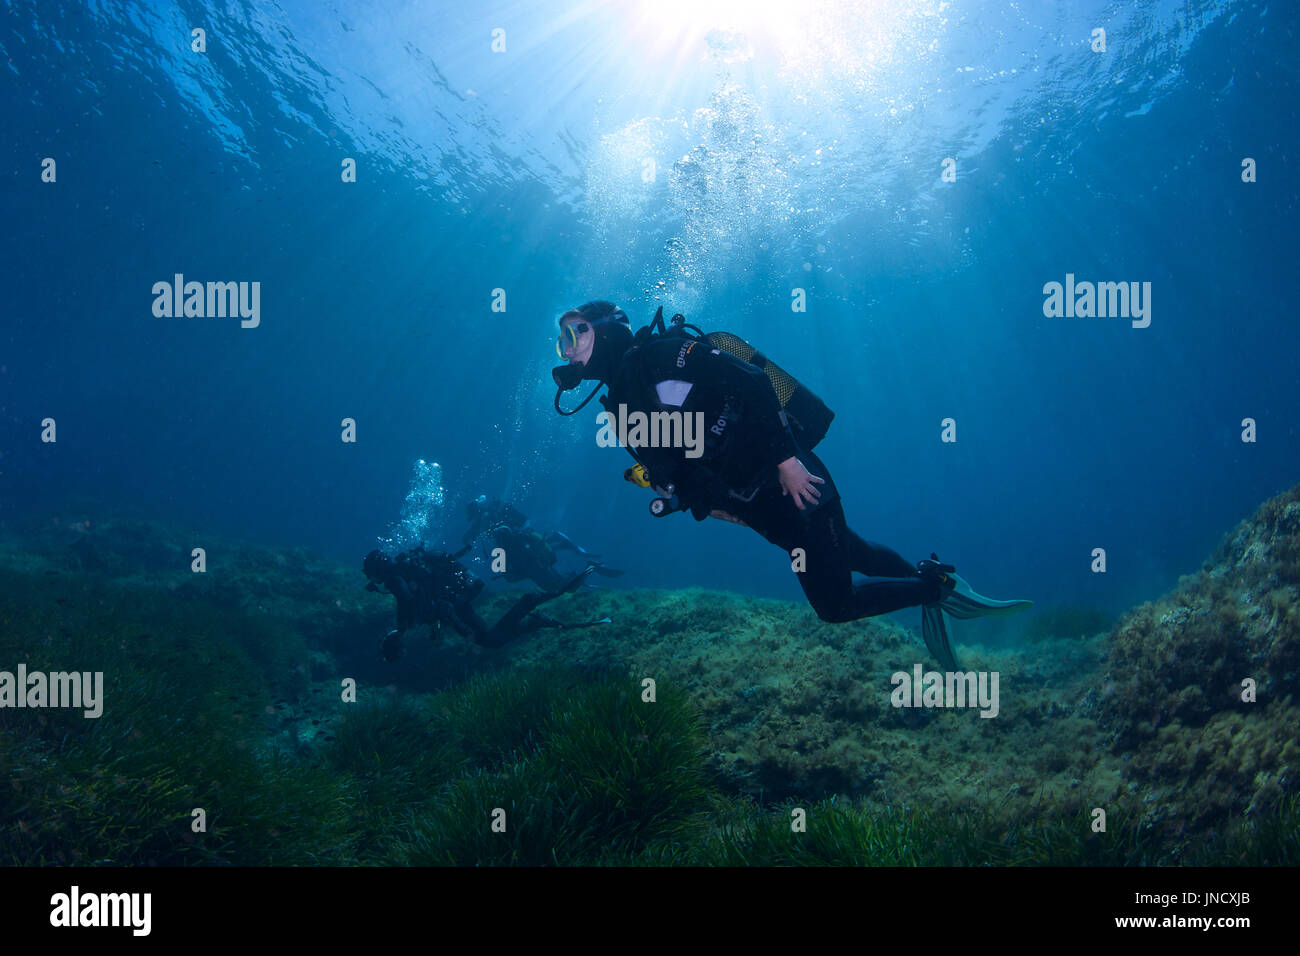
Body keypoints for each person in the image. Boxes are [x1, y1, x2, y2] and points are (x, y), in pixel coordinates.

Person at [549, 300, 1030, 669]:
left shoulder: (666, 354)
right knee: (854, 550)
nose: (568, 347)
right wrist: (680, 494)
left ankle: (935, 588)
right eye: (562, 341)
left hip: (791, 478)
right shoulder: (619, 403)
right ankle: (928, 576)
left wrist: (787, 461)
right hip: (756, 505)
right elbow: (672, 465)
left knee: (835, 605)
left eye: (577, 332)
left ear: (609, 329)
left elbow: (755, 383)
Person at [362, 545, 607, 660]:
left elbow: (408, 605)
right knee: (490, 640)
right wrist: (401, 631)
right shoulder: (400, 575)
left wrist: (400, 631)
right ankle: (533, 616)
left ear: (378, 572)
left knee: (490, 641)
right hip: (457, 600)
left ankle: (530, 607)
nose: (375, 584)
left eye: (373, 578)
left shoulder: (398, 579)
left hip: (457, 600)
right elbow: (410, 608)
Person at [462, 495, 623, 592]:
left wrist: (468, 543)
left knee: (554, 586)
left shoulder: (484, 518)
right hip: (526, 548)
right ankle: (559, 546)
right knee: (546, 578)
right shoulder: (497, 511)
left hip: (521, 554)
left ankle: (589, 568)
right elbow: (524, 521)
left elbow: (468, 536)